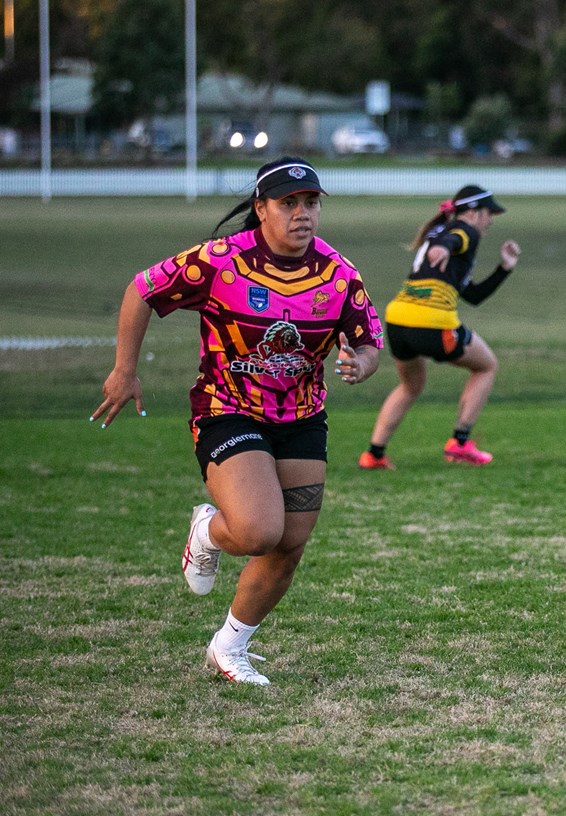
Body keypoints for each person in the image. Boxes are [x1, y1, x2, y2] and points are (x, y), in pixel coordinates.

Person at [91, 156, 383, 685]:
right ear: (261, 208)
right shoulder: (221, 261)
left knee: (289, 545)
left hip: (302, 418)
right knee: (258, 531)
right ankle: (206, 529)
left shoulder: (340, 274)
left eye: (310, 202)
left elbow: (367, 343)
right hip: (227, 409)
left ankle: (229, 647)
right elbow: (142, 288)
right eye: (288, 203)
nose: (302, 213)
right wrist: (124, 370)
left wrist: (359, 365)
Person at [359, 185, 520, 469]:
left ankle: (374, 454)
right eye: (489, 213)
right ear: (473, 212)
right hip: (432, 321)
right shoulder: (463, 230)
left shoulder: (440, 232)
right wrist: (445, 247)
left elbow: (473, 296)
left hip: (398, 319)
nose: (491, 220)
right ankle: (460, 443)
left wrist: (504, 268)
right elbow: (457, 237)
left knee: (411, 386)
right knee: (487, 366)